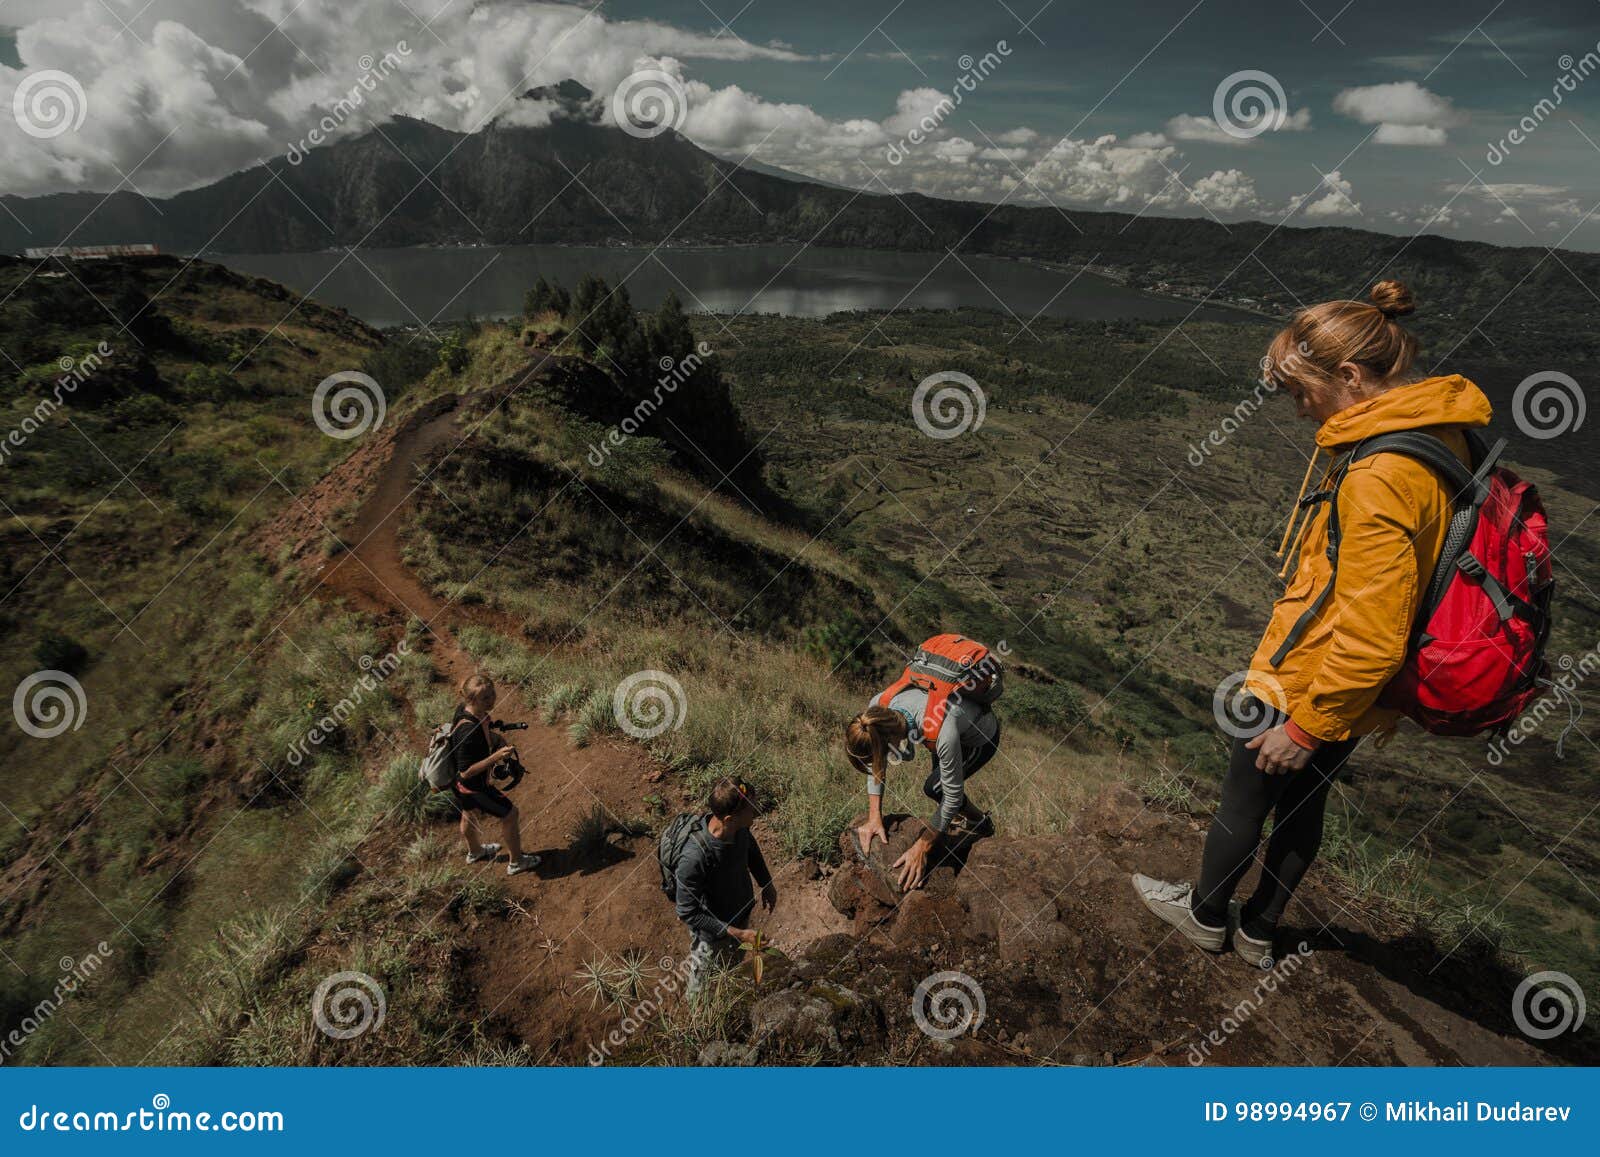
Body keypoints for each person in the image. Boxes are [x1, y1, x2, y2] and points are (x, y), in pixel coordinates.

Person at [1133, 279, 1492, 966]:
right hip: (1359, 688)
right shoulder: (1439, 427)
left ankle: (1206, 916)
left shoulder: (1380, 472)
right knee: (1305, 803)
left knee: (1245, 797)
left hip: (1311, 677)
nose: (1299, 410)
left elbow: (1372, 629)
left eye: (1304, 391)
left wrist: (1306, 721)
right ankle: (1261, 928)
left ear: (1351, 376)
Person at [845, 676, 1001, 892]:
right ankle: (956, 821)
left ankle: (981, 823)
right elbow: (876, 764)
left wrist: (922, 847)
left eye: (880, 757)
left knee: (936, 789)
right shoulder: (876, 709)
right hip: (948, 729)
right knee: (940, 789)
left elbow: (953, 796)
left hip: (978, 737)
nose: (878, 764)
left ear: (891, 742)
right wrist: (874, 817)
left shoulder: (942, 732)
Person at [673, 778, 777, 999]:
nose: (756, 812)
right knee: (701, 985)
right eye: (751, 809)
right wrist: (739, 933)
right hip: (710, 935)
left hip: (739, 917)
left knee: (728, 971)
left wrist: (766, 883)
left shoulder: (739, 829)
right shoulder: (694, 857)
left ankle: (723, 998)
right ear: (729, 819)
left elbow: (750, 847)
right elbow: (687, 911)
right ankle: (696, 1020)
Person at [445, 673, 540, 876]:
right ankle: (516, 862)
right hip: (473, 786)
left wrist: (495, 740)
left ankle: (475, 852)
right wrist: (495, 756)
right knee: (510, 814)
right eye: (486, 698)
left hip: (458, 784)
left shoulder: (465, 710)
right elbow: (467, 771)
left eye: (492, 693)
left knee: (468, 813)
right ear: (472, 699)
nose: (492, 699)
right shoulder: (468, 731)